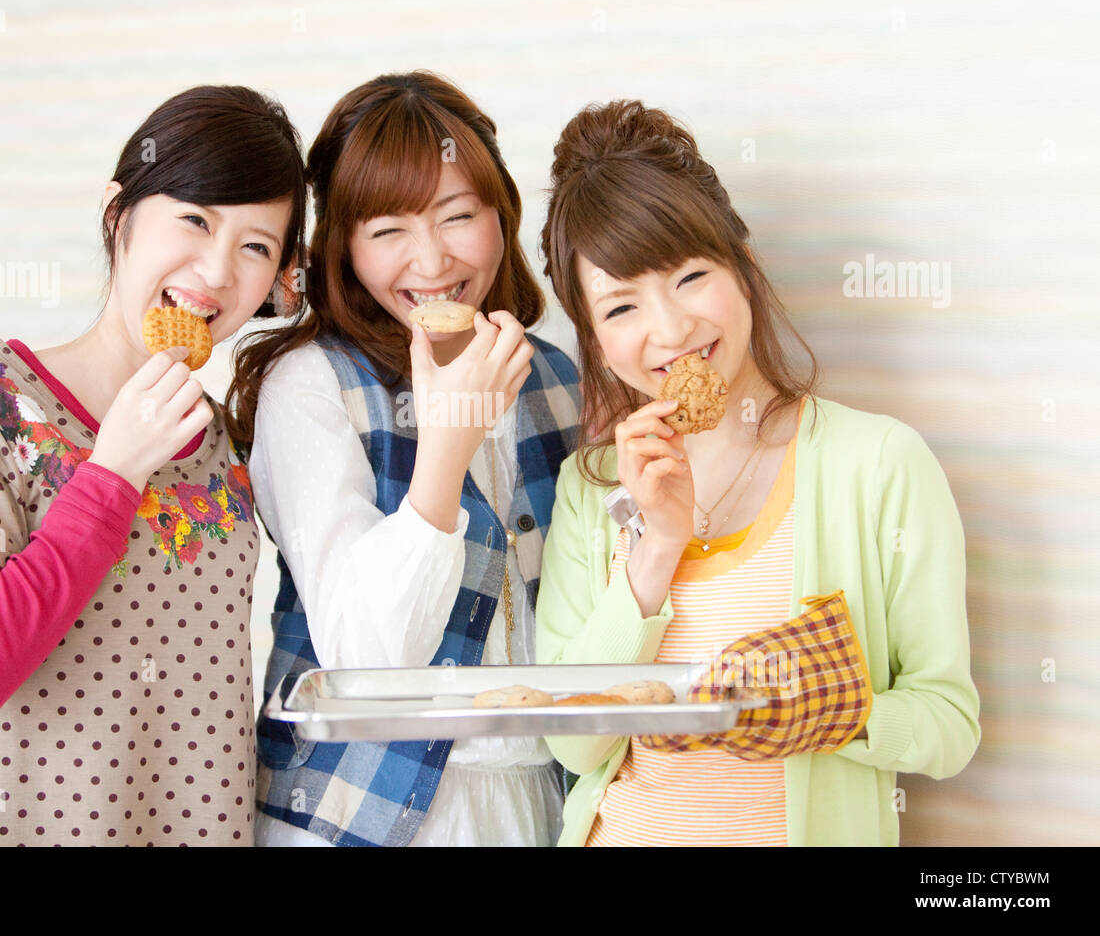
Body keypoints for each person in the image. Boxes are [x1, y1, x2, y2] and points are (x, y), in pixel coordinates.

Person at [535, 99, 980, 846]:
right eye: (620, 307)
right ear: (595, 341)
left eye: (689, 276)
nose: (671, 329)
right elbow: (574, 745)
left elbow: (949, 723)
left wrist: (839, 711)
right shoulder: (592, 488)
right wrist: (655, 550)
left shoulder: (876, 464)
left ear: (742, 266)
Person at [0, 85, 306, 846]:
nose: (215, 271)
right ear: (118, 214)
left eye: (255, 246)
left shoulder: (230, 448)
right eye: (194, 219)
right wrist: (111, 475)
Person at [227, 71, 581, 846]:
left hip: (540, 805)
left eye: (458, 216)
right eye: (388, 229)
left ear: (501, 216)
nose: (431, 260)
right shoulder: (312, 386)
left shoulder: (559, 381)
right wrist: (446, 451)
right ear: (344, 247)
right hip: (360, 817)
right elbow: (364, 663)